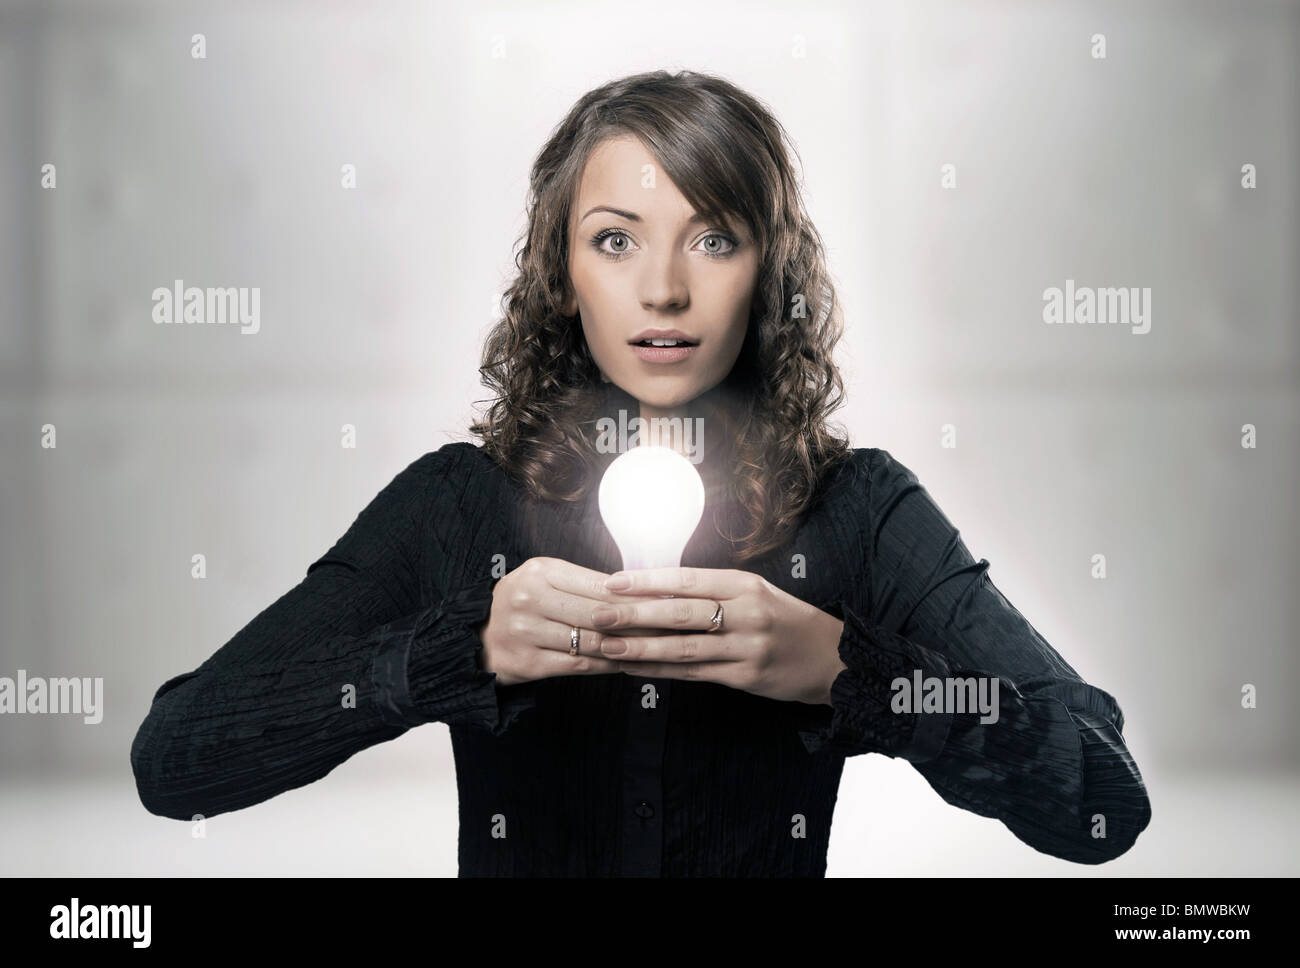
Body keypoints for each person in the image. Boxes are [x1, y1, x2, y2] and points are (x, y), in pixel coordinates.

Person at [131, 69, 1152, 876]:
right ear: (561, 275)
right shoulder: (462, 504)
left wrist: (853, 673)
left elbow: (1103, 795)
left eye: (713, 238)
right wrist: (457, 651)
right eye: (614, 240)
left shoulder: (859, 510)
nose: (663, 289)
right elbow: (177, 756)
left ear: (770, 273)